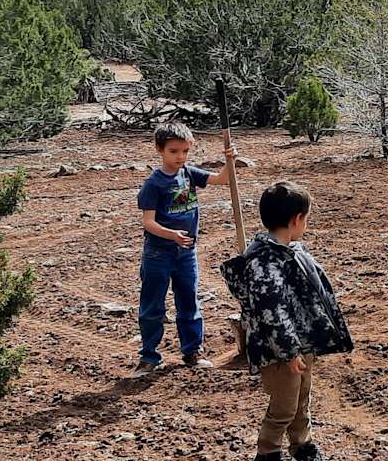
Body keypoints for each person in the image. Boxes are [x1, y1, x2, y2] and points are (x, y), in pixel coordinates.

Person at [223, 181, 355, 461]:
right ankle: (268, 451)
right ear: (296, 219)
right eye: (306, 218)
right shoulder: (264, 263)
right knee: (284, 405)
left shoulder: (291, 252)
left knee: (301, 399)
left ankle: (302, 445)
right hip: (279, 353)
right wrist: (289, 351)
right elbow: (272, 312)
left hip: (300, 344)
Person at [129, 121, 235, 378]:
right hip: (158, 253)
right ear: (160, 150)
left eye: (185, 151)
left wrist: (230, 160)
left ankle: (192, 352)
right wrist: (171, 235)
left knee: (189, 301)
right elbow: (148, 223)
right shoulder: (153, 184)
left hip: (186, 253)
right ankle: (148, 357)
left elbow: (222, 179)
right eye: (174, 151)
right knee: (153, 305)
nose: (180, 157)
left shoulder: (188, 173)